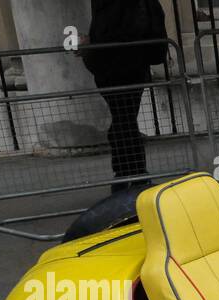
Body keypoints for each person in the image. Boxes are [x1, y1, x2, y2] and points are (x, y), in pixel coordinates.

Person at [83, 0, 169, 192]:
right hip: (122, 66)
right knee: (124, 119)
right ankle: (133, 173)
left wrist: (92, 43)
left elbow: (120, 30)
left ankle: (128, 173)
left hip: (120, 66)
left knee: (123, 119)